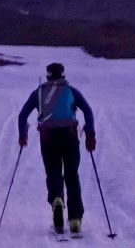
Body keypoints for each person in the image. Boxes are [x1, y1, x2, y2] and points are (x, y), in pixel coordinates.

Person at [18, 62, 96, 234]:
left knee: (53, 173)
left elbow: (23, 114)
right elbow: (88, 111)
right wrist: (90, 135)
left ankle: (57, 200)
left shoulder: (39, 92)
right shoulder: (71, 91)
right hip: (70, 136)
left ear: (47, 76)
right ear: (63, 75)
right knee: (71, 175)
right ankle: (75, 219)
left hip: (48, 137)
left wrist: (23, 135)